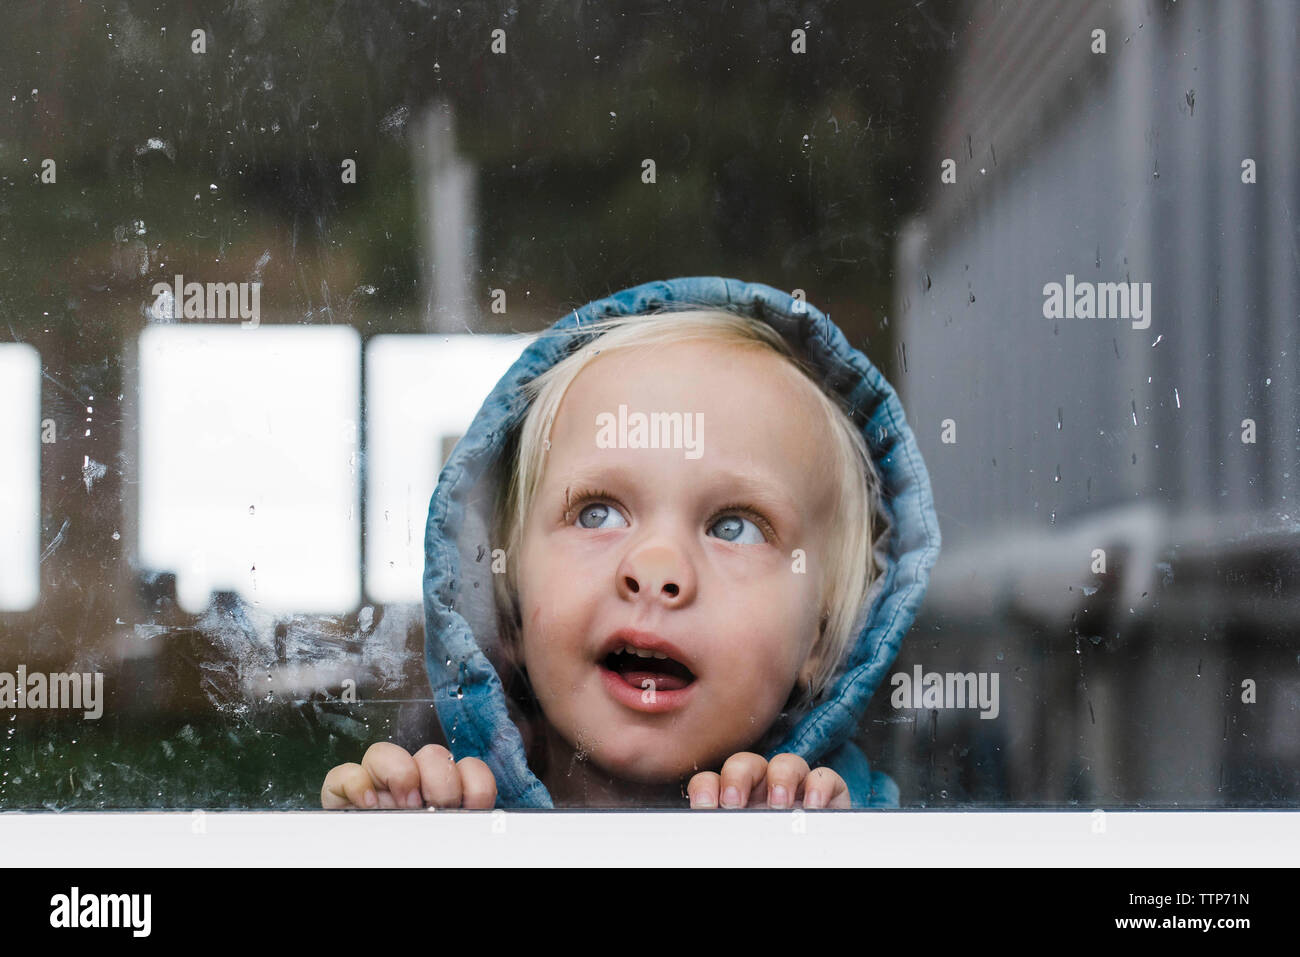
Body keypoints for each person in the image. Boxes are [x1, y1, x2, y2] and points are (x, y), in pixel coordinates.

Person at [322, 276, 940, 809]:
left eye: (735, 527)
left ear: (824, 636)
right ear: (504, 602)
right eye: (597, 514)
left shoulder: (849, 829)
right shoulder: (446, 818)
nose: (657, 570)